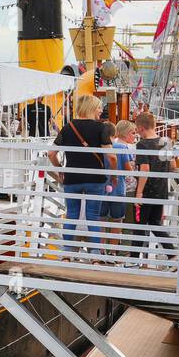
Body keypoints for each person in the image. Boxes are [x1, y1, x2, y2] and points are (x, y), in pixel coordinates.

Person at [48, 94, 116, 256]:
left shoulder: (68, 127)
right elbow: (112, 156)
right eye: (99, 107)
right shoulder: (102, 128)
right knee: (92, 216)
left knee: (72, 215)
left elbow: (51, 154)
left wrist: (60, 169)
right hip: (95, 179)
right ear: (92, 108)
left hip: (72, 178)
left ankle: (67, 252)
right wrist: (113, 174)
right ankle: (95, 253)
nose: (101, 110)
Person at [133, 112, 176, 261]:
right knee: (155, 223)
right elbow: (172, 165)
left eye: (137, 129)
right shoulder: (165, 142)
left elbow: (144, 169)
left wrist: (139, 193)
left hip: (147, 190)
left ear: (141, 128)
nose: (137, 132)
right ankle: (172, 253)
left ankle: (133, 259)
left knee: (139, 225)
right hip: (161, 189)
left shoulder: (142, 144)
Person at [103, 120, 136, 256]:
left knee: (101, 220)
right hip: (118, 190)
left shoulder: (102, 147)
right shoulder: (122, 148)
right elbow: (129, 169)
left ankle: (101, 251)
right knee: (117, 221)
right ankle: (112, 252)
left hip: (102, 189)